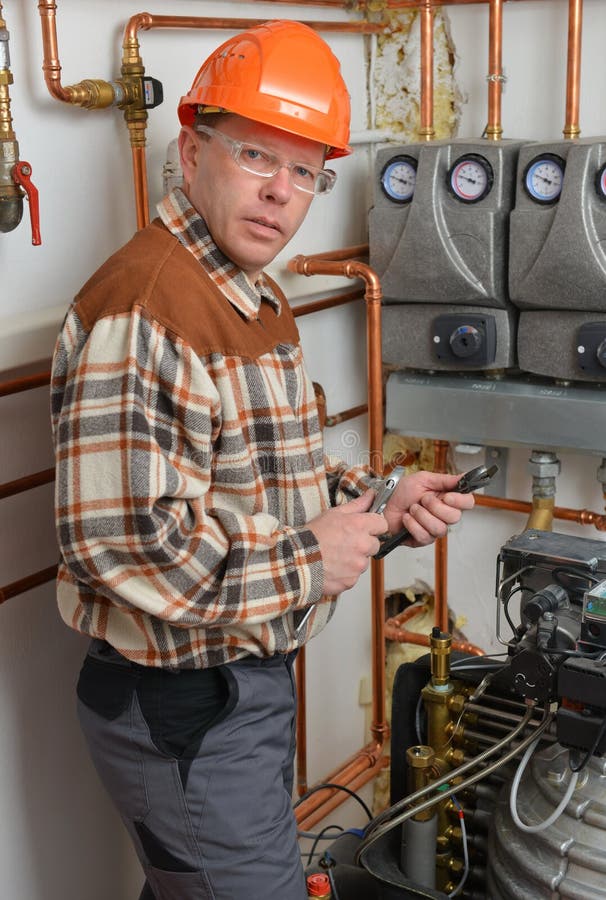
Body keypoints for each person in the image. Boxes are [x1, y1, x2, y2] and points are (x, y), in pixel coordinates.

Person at [50, 19, 474, 900]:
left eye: (305, 173)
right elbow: (124, 542)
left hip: (233, 690)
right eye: (255, 157)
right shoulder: (150, 312)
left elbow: (276, 473)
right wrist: (312, 555)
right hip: (184, 703)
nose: (282, 193)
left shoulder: (249, 293)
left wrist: (377, 500)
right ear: (192, 147)